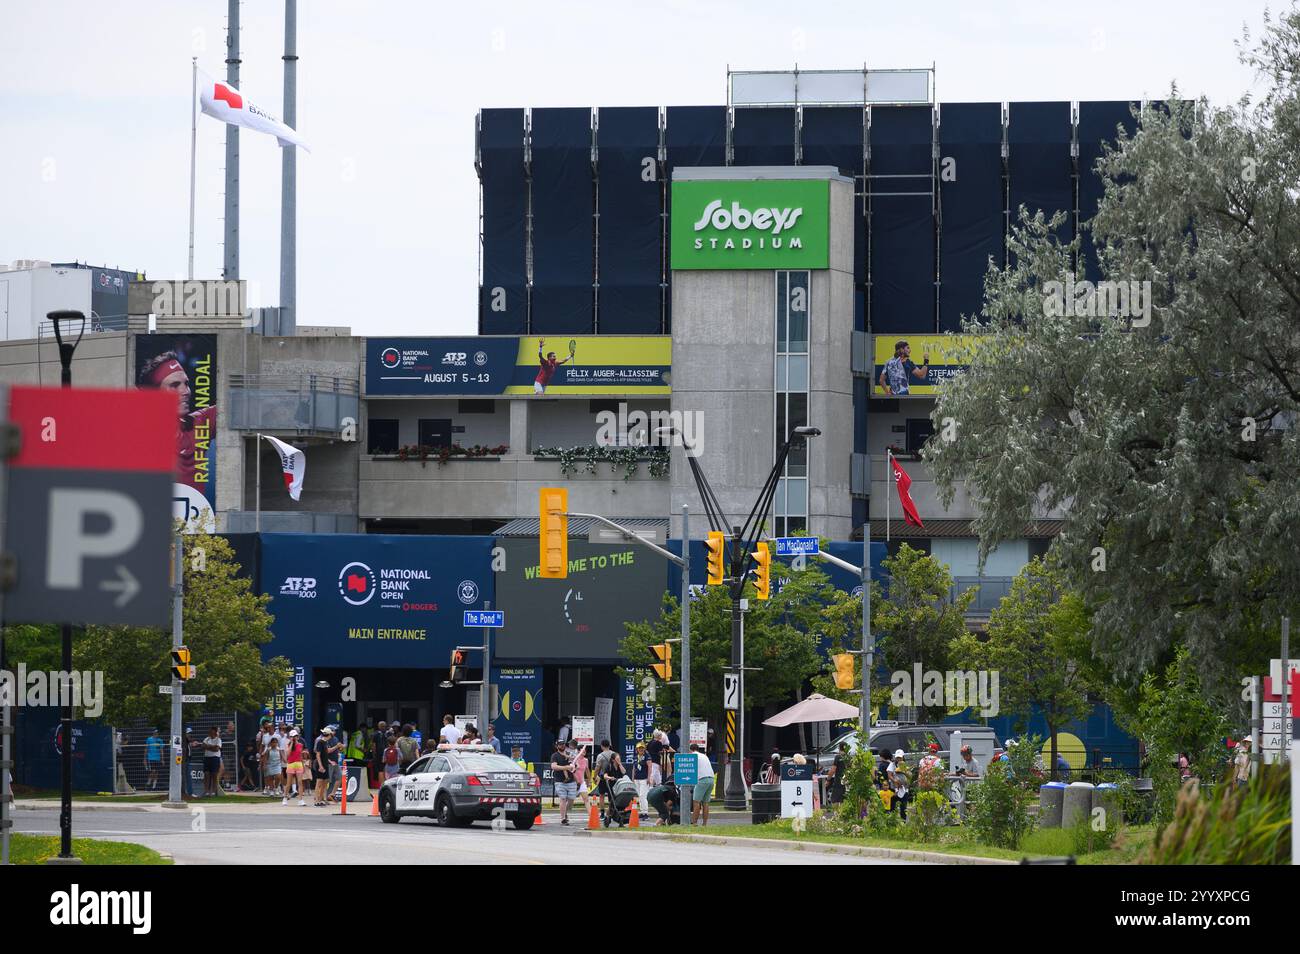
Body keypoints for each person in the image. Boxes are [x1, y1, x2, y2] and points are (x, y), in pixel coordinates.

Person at [136, 348, 218, 497]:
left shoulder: (200, 423)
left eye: (186, 384)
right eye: (174, 386)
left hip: (198, 519)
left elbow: (241, 405)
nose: (185, 391)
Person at [594, 740, 624, 819]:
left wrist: (594, 776)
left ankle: (602, 813)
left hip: (603, 777)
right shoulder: (615, 754)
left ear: (602, 746)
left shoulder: (600, 756)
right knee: (612, 796)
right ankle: (611, 811)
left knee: (601, 795)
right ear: (609, 745)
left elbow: (597, 767)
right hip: (613, 777)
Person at [551, 740, 577, 825]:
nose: (562, 746)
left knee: (571, 800)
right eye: (560, 745)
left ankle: (565, 813)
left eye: (563, 744)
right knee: (562, 799)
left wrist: (573, 766)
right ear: (557, 746)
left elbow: (575, 764)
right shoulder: (555, 755)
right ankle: (563, 818)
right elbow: (553, 766)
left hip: (571, 781)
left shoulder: (569, 754)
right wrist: (565, 767)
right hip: (559, 781)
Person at [689, 744, 715, 826]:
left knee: (696, 802)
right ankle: (704, 824)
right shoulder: (704, 756)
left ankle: (694, 822)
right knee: (706, 803)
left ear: (691, 750)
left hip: (702, 779)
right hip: (711, 779)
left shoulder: (693, 755)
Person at [283, 730, 307, 806]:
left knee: (300, 782)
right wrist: (292, 743)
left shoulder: (300, 745)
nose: (294, 738)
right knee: (288, 783)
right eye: (292, 736)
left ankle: (300, 800)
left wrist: (303, 765)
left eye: (295, 736)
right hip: (291, 764)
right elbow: (288, 754)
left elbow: (301, 756)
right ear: (290, 737)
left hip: (299, 764)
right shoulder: (288, 745)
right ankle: (285, 798)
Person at [313, 727, 334, 806]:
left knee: (324, 783)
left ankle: (320, 799)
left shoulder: (325, 742)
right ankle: (316, 800)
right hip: (321, 765)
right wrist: (320, 766)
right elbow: (318, 755)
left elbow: (325, 754)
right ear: (328, 735)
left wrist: (329, 761)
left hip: (325, 764)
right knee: (319, 782)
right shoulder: (320, 742)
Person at [887, 750, 910, 820]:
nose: (898, 759)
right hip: (894, 788)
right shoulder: (892, 764)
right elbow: (889, 775)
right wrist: (895, 781)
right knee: (892, 807)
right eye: (897, 757)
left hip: (904, 788)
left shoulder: (904, 764)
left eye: (900, 757)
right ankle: (892, 822)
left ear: (903, 757)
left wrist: (904, 771)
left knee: (903, 807)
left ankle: (903, 822)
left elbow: (909, 776)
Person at [202, 726, 224, 797]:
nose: (210, 732)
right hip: (207, 758)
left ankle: (213, 791)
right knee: (206, 774)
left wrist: (208, 747)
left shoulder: (218, 740)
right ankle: (206, 791)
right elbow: (203, 746)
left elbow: (217, 749)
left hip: (215, 758)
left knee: (214, 774)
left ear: (214, 731)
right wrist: (212, 747)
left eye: (211, 731)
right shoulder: (206, 739)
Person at [633, 742, 652, 814]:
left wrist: (649, 778)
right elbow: (634, 768)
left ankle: (645, 812)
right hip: (636, 778)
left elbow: (650, 766)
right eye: (639, 748)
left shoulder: (647, 756)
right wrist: (633, 779)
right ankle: (642, 812)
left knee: (642, 795)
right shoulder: (635, 756)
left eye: (642, 748)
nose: (641, 749)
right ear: (637, 749)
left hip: (644, 778)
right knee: (639, 795)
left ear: (644, 749)